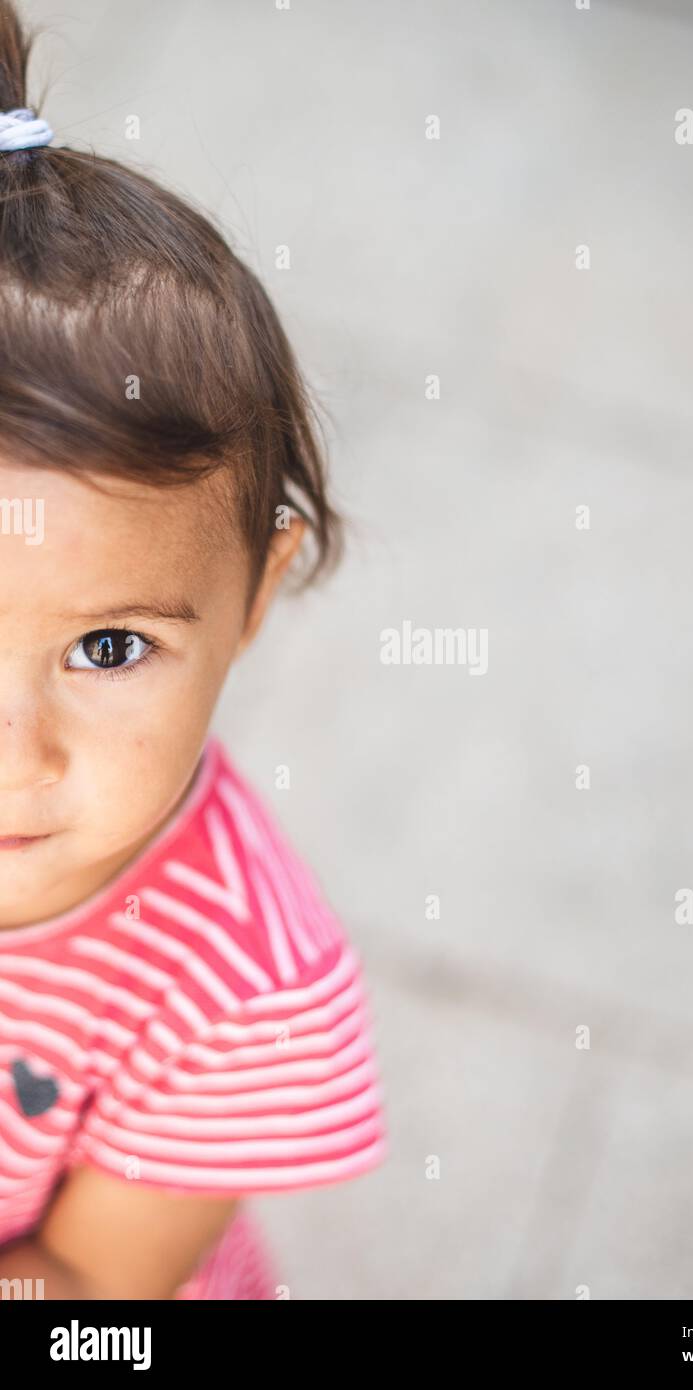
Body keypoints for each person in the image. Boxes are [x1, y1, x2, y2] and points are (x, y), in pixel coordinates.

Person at [0, 0, 387, 1299]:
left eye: (107, 645)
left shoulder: (238, 989)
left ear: (254, 593)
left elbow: (88, 1289)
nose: (16, 759)